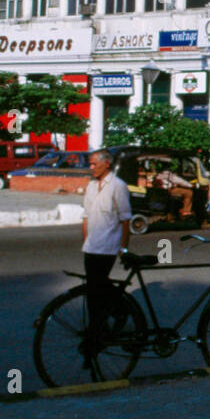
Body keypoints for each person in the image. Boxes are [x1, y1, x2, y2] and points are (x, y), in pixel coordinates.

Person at [81, 149, 132, 369]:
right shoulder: (91, 186)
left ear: (106, 164)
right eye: (90, 164)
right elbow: (85, 216)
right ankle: (96, 329)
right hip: (91, 246)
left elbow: (125, 219)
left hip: (109, 246)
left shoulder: (118, 186)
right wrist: (86, 240)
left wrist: (123, 248)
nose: (91, 168)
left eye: (94, 164)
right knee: (93, 291)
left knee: (98, 283)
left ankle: (120, 310)